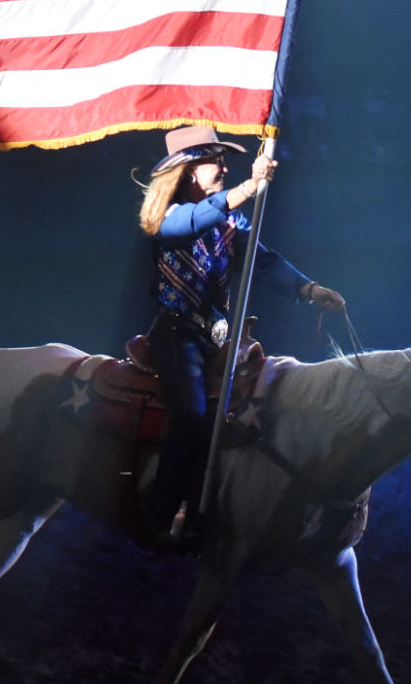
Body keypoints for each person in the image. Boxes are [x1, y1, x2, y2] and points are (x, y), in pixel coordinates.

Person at [138, 125, 346, 545]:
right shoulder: (169, 216)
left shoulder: (229, 219)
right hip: (177, 336)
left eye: (223, 160)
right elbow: (195, 221)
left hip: (217, 340)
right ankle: (161, 516)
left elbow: (261, 261)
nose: (223, 166)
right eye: (213, 160)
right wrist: (251, 185)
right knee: (193, 414)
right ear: (188, 171)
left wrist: (307, 289)